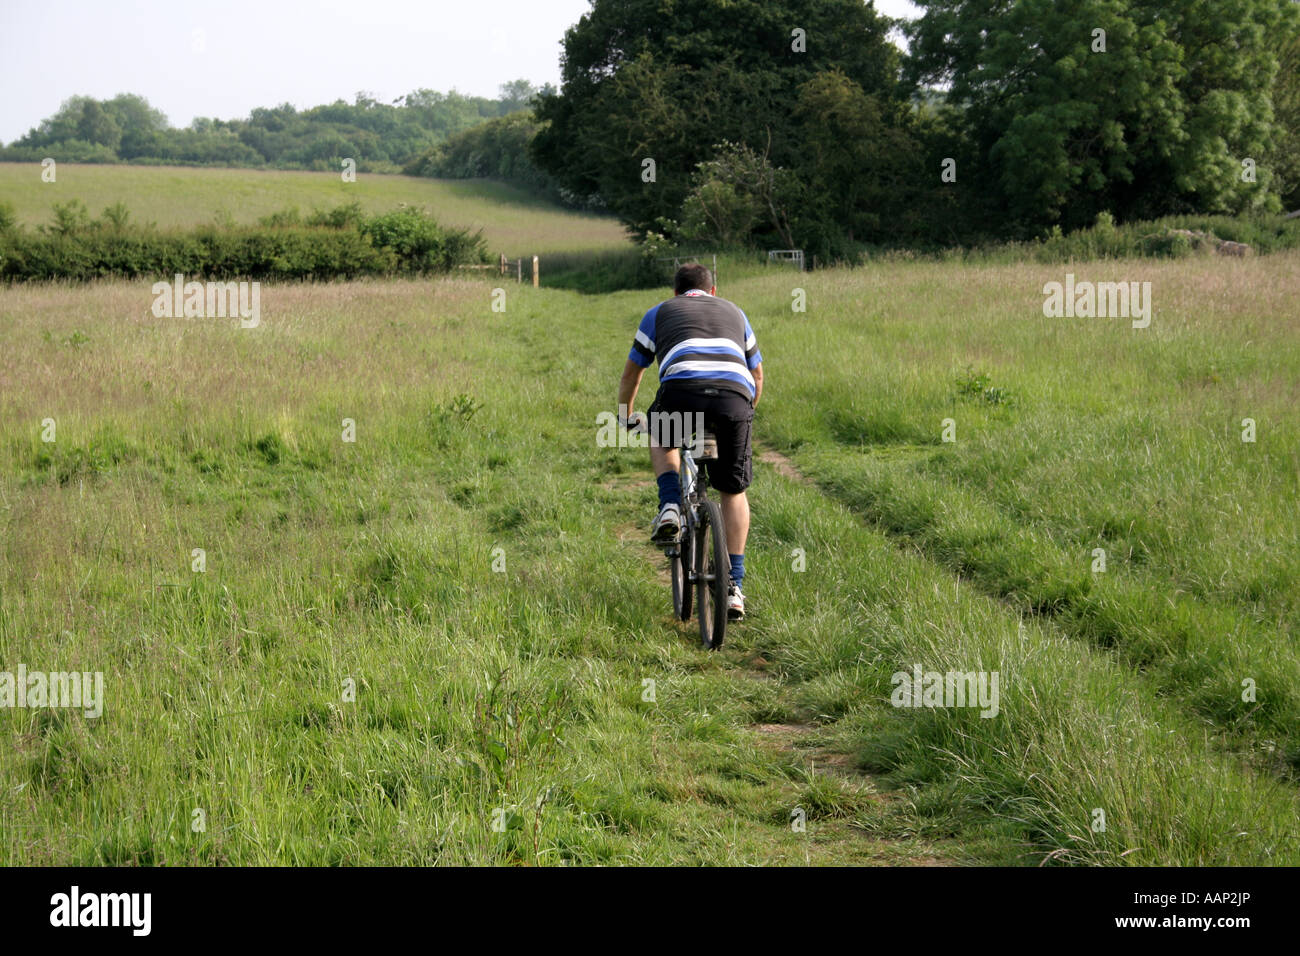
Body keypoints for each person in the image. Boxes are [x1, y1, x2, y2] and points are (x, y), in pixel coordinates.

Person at [616, 263, 763, 620]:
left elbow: (633, 372)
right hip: (733, 397)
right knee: (733, 491)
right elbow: (757, 373)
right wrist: (746, 412)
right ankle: (733, 589)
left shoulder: (660, 312)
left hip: (682, 391)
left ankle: (669, 505)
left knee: (661, 434)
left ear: (676, 293)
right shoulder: (734, 311)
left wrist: (625, 415)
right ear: (713, 290)